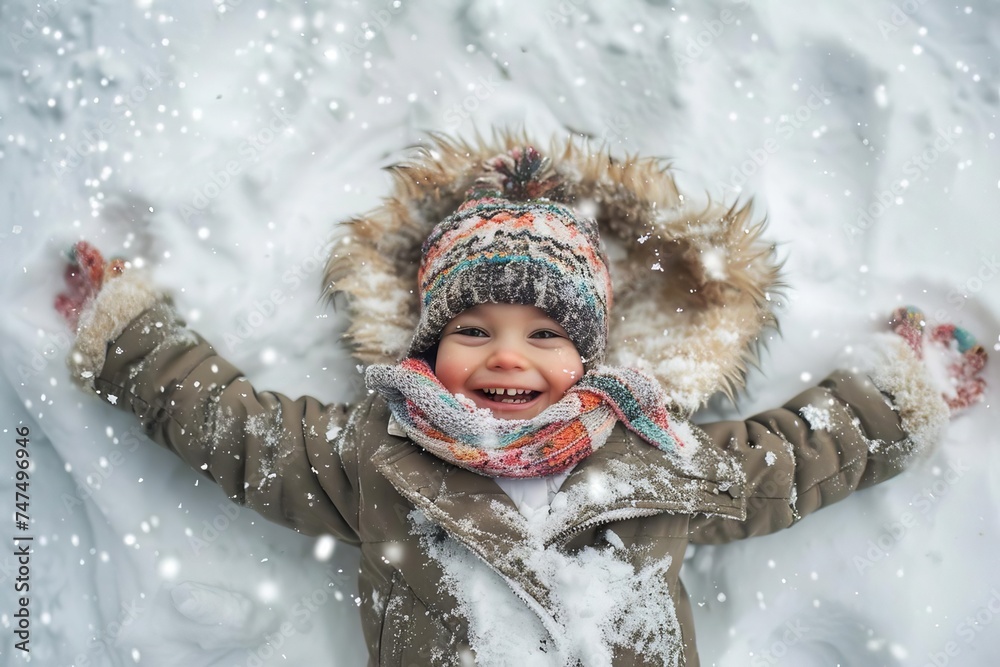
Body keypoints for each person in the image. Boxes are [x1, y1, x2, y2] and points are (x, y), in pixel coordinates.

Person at [56, 136, 987, 666]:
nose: (509, 357)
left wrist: (895, 398)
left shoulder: (649, 450)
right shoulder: (377, 453)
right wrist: (131, 335)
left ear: (585, 360)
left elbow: (787, 460)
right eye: (474, 331)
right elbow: (239, 429)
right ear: (429, 346)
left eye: (545, 335)